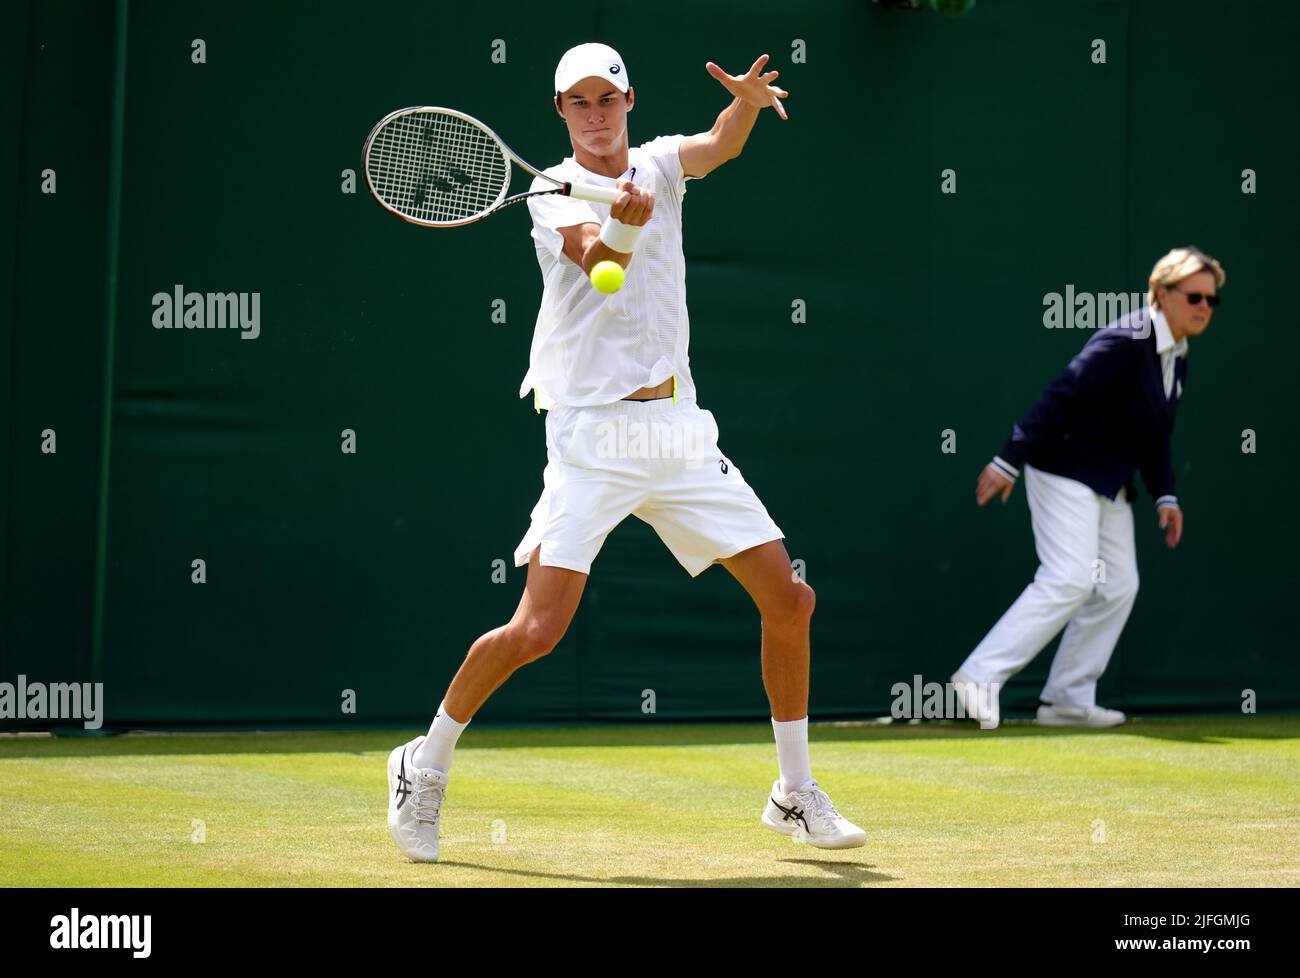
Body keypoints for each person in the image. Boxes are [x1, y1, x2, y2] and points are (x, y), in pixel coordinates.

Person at [386, 42, 866, 862]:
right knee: (536, 630)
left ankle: (793, 793)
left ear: (630, 100)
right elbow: (601, 263)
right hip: (591, 437)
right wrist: (622, 221)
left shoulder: (659, 164)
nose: (595, 113)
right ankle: (421, 765)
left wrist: (746, 102)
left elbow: (717, 146)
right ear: (562, 113)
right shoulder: (548, 191)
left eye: (607, 98)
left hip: (679, 429)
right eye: (579, 101)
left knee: (789, 599)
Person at [952, 247, 1225, 729]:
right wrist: (1007, 460)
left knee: (1118, 585)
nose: (1204, 306)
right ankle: (978, 676)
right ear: (1161, 293)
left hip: (1109, 481)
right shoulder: (1126, 339)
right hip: (1063, 469)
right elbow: (1064, 392)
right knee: (1071, 577)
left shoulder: (1177, 355)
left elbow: (1156, 433)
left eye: (1212, 300)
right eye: (1194, 296)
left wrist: (1166, 496)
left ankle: (1067, 698)